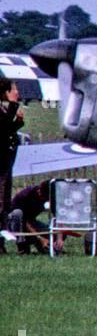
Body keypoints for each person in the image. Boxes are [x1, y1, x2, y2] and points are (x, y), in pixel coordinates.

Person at [0, 78, 24, 234]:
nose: (17, 93)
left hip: (6, 159)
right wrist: (13, 106)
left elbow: (6, 129)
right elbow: (2, 129)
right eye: (14, 89)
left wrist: (18, 122)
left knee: (5, 200)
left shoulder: (2, 108)